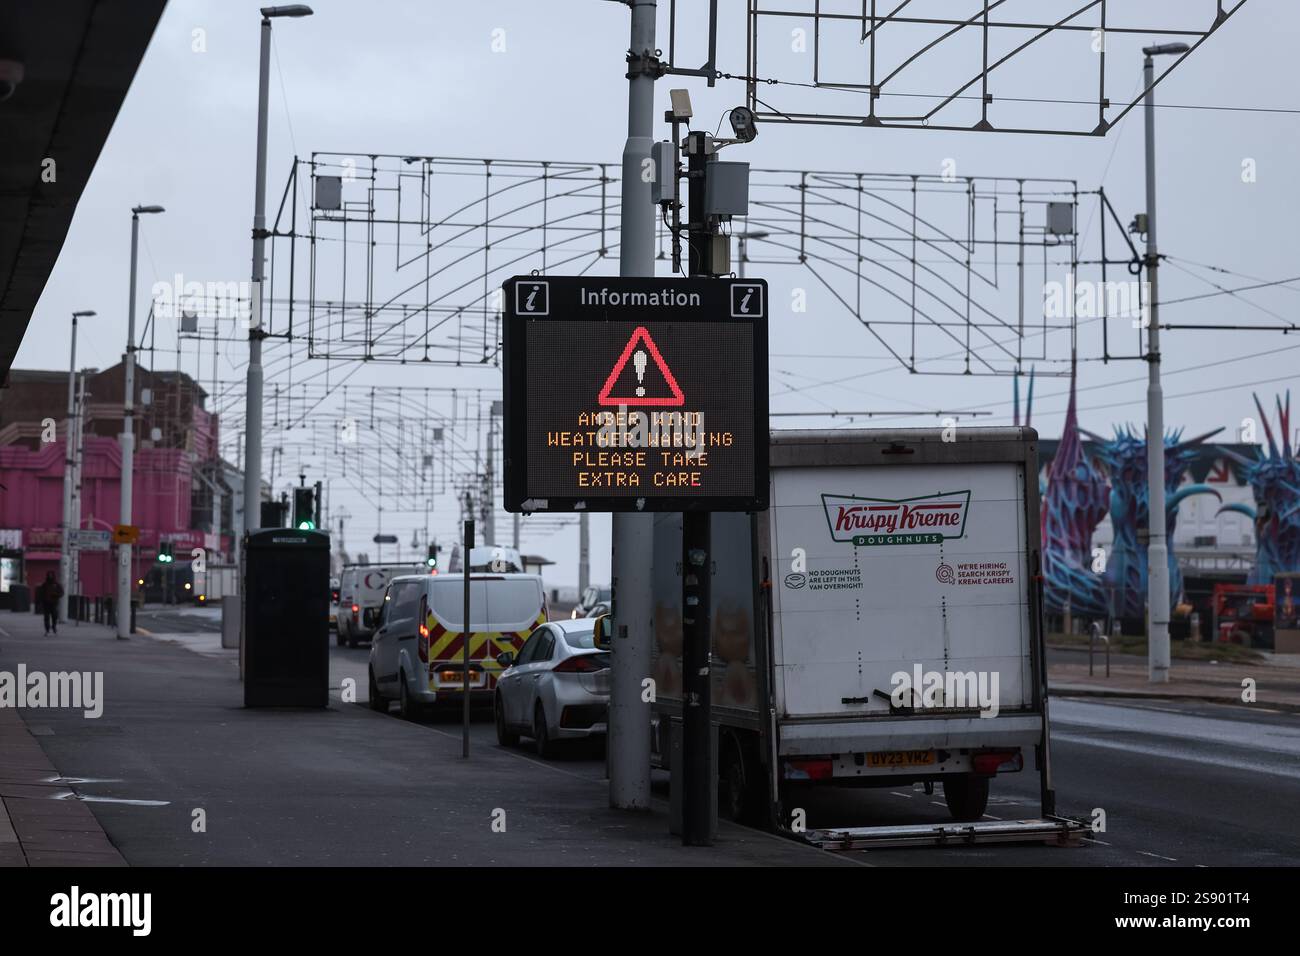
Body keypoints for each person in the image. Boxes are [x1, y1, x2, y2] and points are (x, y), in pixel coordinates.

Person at [38, 570, 63, 635]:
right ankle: (47, 629)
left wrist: (56, 595)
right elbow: (41, 593)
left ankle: (54, 626)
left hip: (54, 603)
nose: (50, 576)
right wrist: (41, 601)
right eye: (49, 575)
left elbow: (61, 592)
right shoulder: (45, 584)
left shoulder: (56, 584)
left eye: (51, 575)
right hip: (46, 603)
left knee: (54, 616)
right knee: (46, 617)